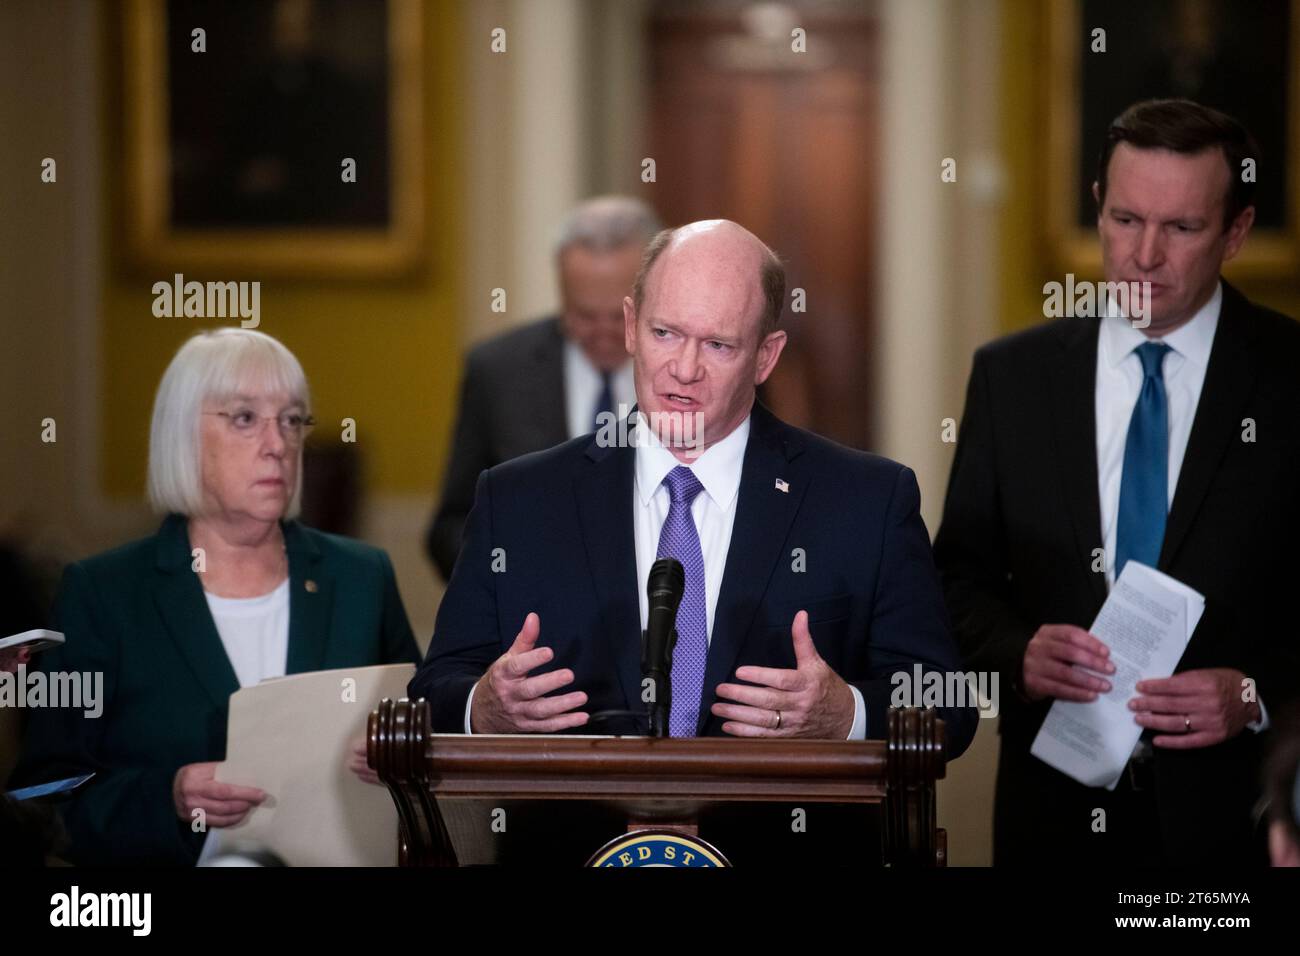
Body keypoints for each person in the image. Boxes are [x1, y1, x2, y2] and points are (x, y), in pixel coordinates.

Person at [411, 219, 977, 756]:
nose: (683, 369)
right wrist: (481, 708)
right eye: (665, 333)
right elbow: (433, 688)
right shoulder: (518, 500)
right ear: (631, 325)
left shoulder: (867, 501)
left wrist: (847, 713)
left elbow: (947, 706)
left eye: (718, 346)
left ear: (765, 356)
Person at [934, 99, 1300, 865]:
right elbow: (956, 581)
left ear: (1236, 232)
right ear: (1098, 207)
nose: (1145, 255)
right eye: (1127, 219)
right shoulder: (1013, 378)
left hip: (1237, 821)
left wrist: (1256, 696)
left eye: (1182, 228)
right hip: (1051, 821)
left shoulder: (1290, 378)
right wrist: (1019, 655)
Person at [11, 329, 420, 865]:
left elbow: (429, 742)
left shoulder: (362, 578)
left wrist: (398, 757)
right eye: (245, 418)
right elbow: (42, 798)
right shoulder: (103, 594)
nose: (278, 443)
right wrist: (168, 798)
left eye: (292, 419)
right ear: (182, 436)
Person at [425, 195, 661, 580]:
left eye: (621, 315)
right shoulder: (498, 371)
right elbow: (449, 530)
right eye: (585, 315)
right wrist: (511, 584)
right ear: (561, 290)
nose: (604, 332)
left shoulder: (701, 367)